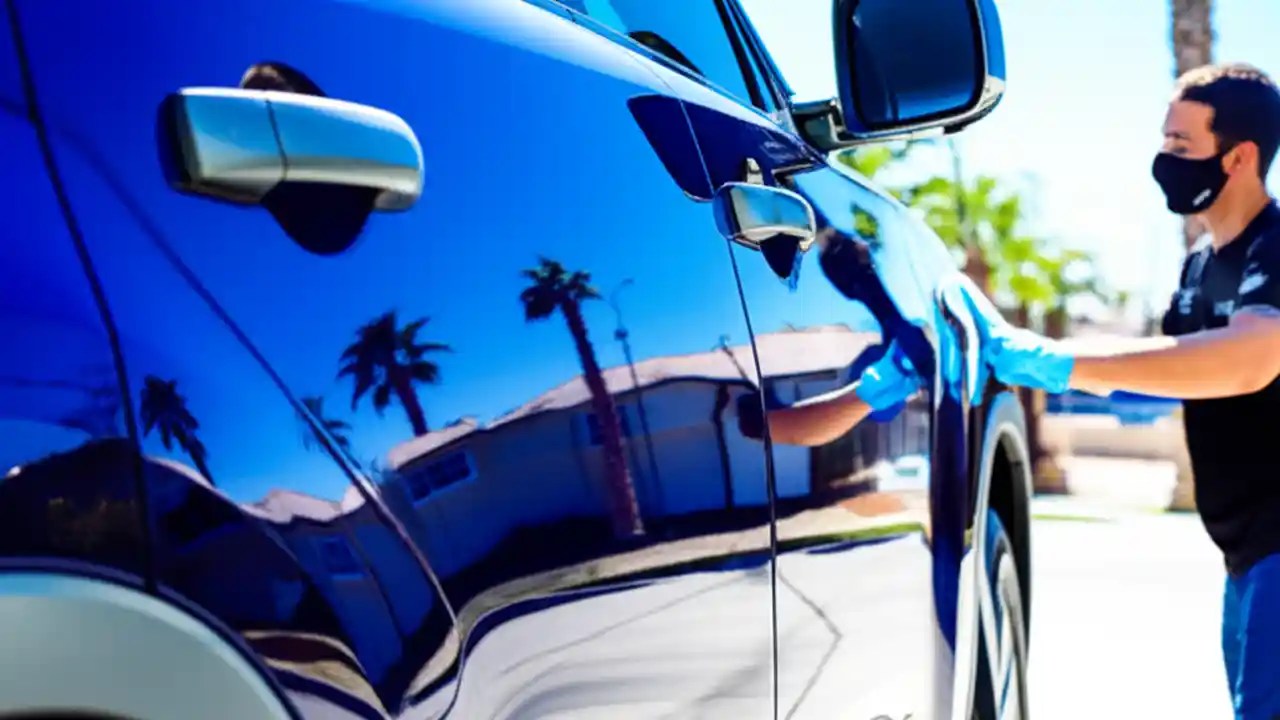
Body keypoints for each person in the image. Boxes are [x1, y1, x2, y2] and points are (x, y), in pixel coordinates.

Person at [974, 63, 1280, 720]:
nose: (1163, 161)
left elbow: (1252, 358)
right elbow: (1174, 370)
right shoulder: (1200, 264)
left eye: (1180, 145)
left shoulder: (1275, 248)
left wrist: (1056, 362)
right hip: (1248, 554)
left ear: (1241, 155)